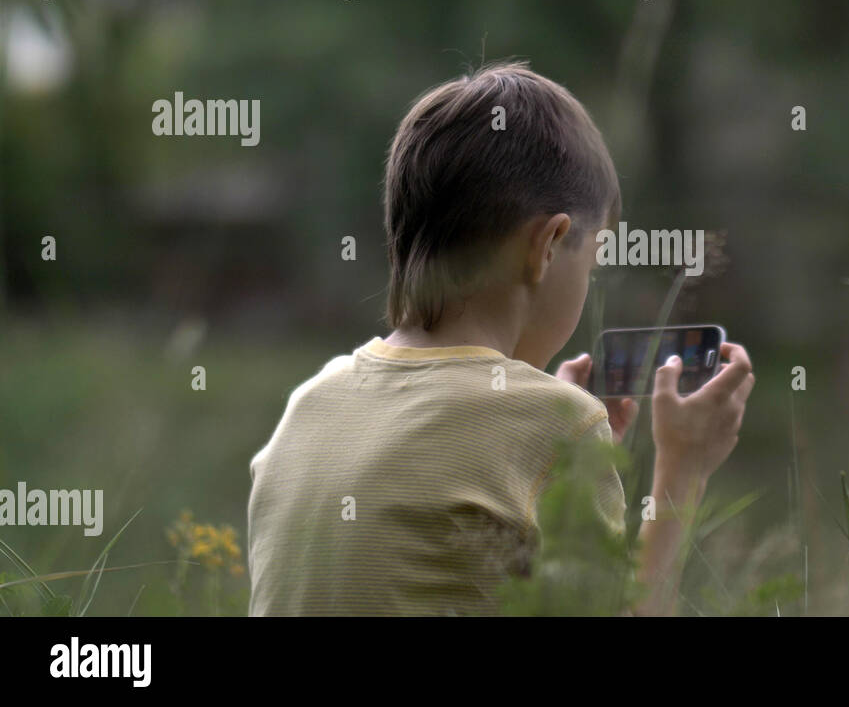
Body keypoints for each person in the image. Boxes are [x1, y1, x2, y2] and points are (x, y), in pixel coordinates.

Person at [247, 61, 754, 615]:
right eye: (592, 261)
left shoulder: (310, 404)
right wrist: (683, 467)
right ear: (549, 245)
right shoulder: (554, 419)